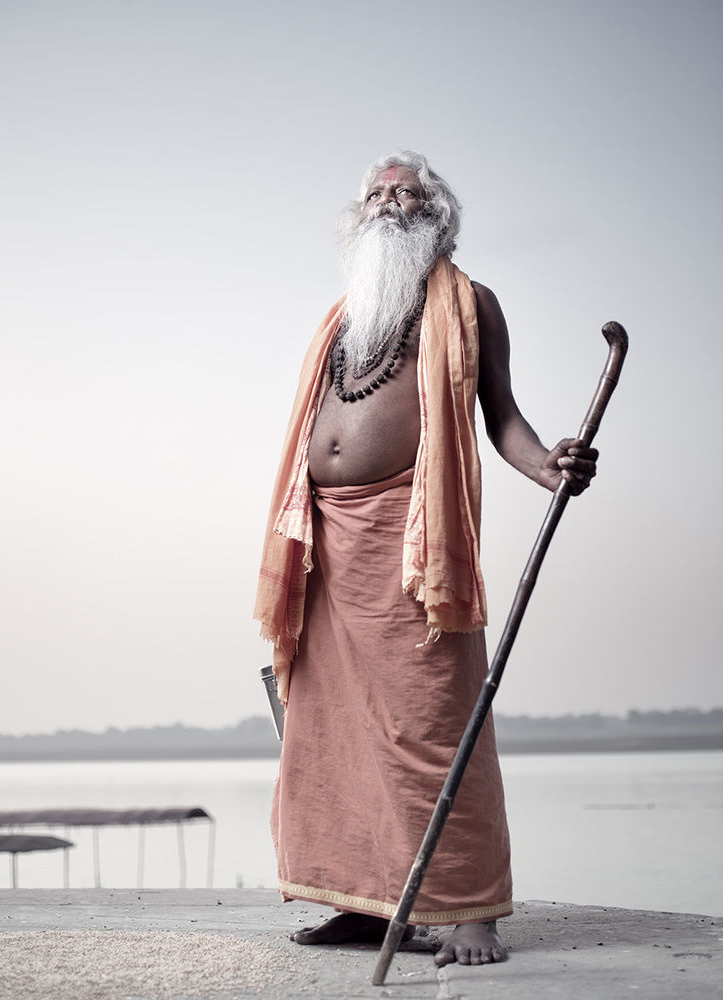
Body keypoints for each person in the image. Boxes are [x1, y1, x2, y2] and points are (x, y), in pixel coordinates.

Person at [254, 151, 598, 967]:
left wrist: (551, 464)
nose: (390, 202)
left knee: (436, 722)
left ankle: (471, 910)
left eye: (407, 192)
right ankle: (366, 904)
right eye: (377, 192)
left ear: (437, 213)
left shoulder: (471, 303)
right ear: (358, 213)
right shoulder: (345, 317)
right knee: (326, 727)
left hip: (411, 541)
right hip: (323, 542)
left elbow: (500, 415)